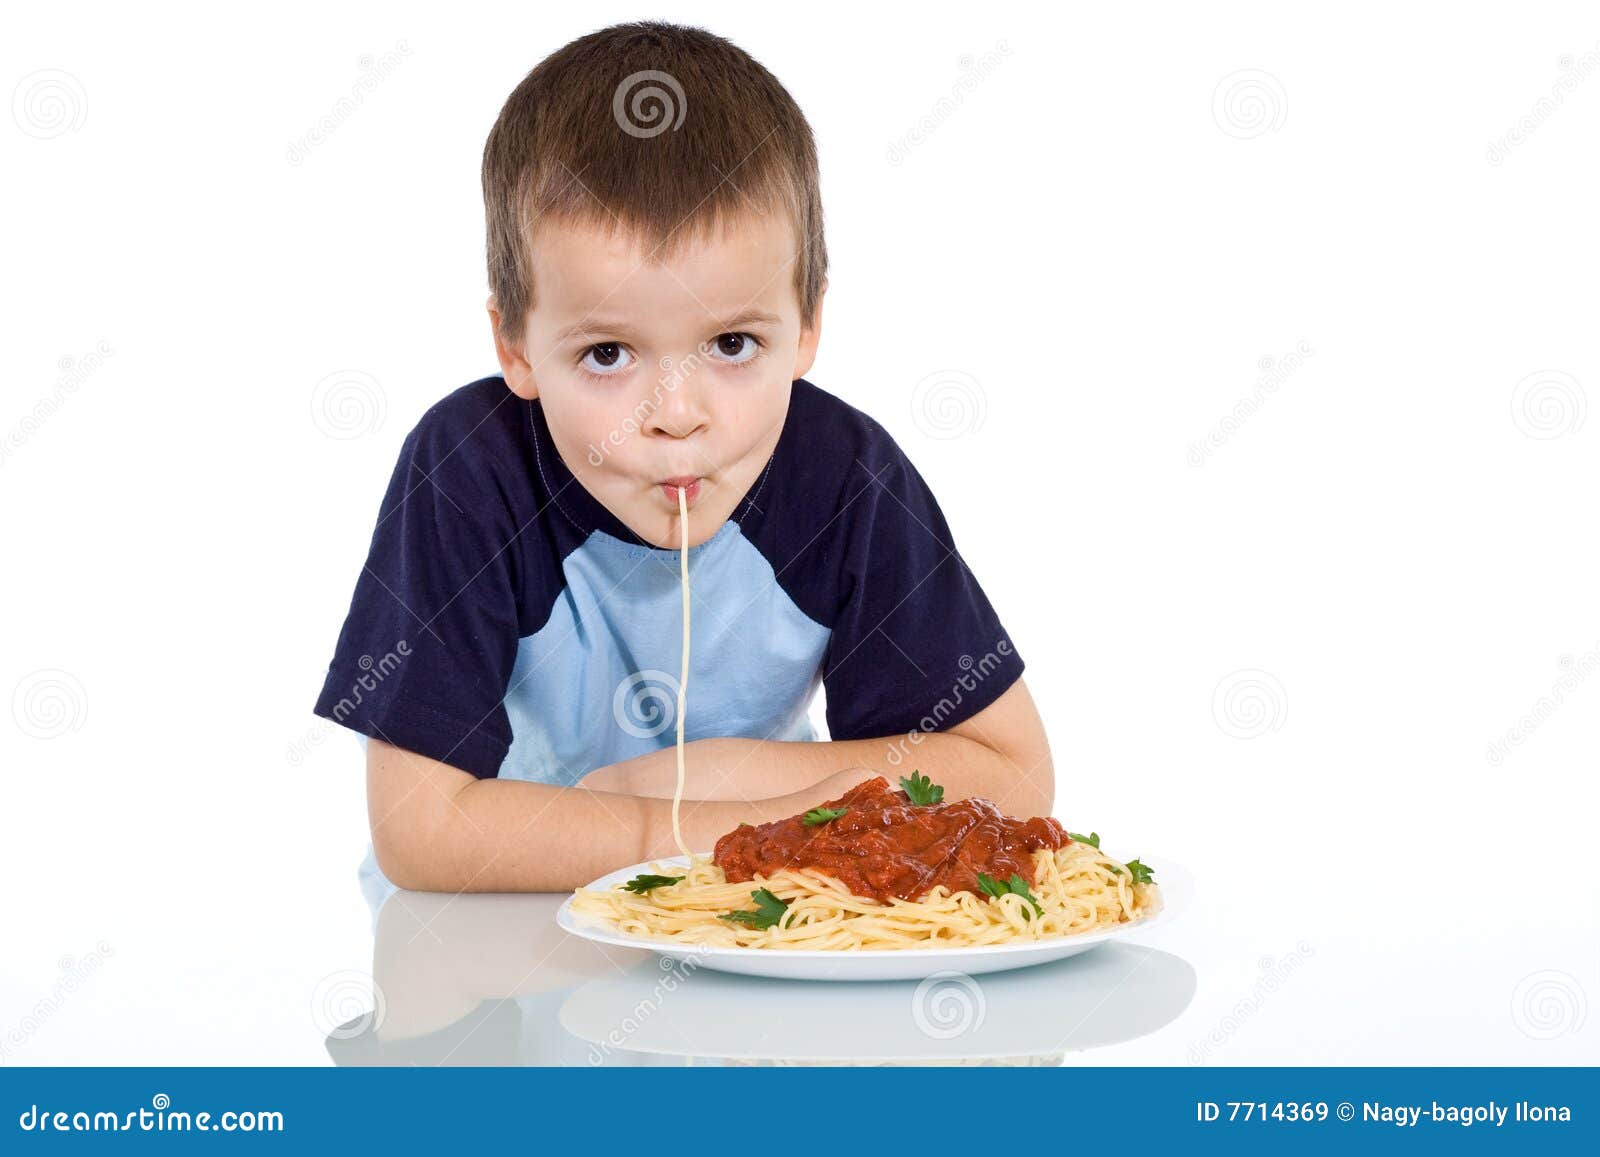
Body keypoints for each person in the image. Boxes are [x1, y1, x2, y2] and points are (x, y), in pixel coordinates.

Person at [312, 21, 1052, 893]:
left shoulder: (845, 478)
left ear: (808, 323)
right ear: (515, 345)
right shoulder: (468, 471)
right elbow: (423, 833)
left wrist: (685, 780)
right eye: (607, 355)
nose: (677, 418)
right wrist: (763, 823)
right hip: (497, 947)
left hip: (754, 943)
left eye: (732, 342)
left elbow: (1014, 776)